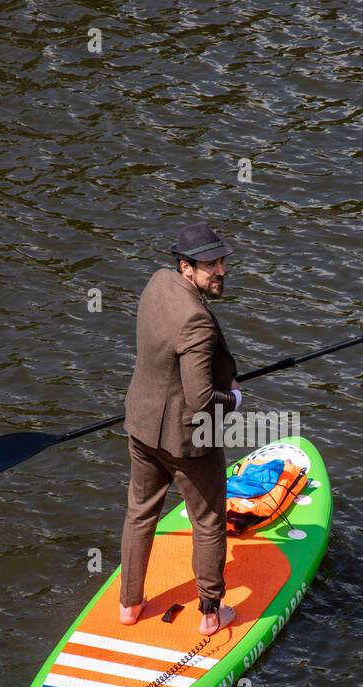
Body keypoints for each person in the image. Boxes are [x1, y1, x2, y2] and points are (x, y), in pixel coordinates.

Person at [120, 222, 242, 636]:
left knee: (140, 514)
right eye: (211, 264)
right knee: (208, 520)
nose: (221, 270)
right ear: (186, 268)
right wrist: (235, 399)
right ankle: (211, 613)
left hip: (141, 424)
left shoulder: (157, 283)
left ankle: (129, 605)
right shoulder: (197, 320)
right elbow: (200, 398)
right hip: (187, 440)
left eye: (222, 260)